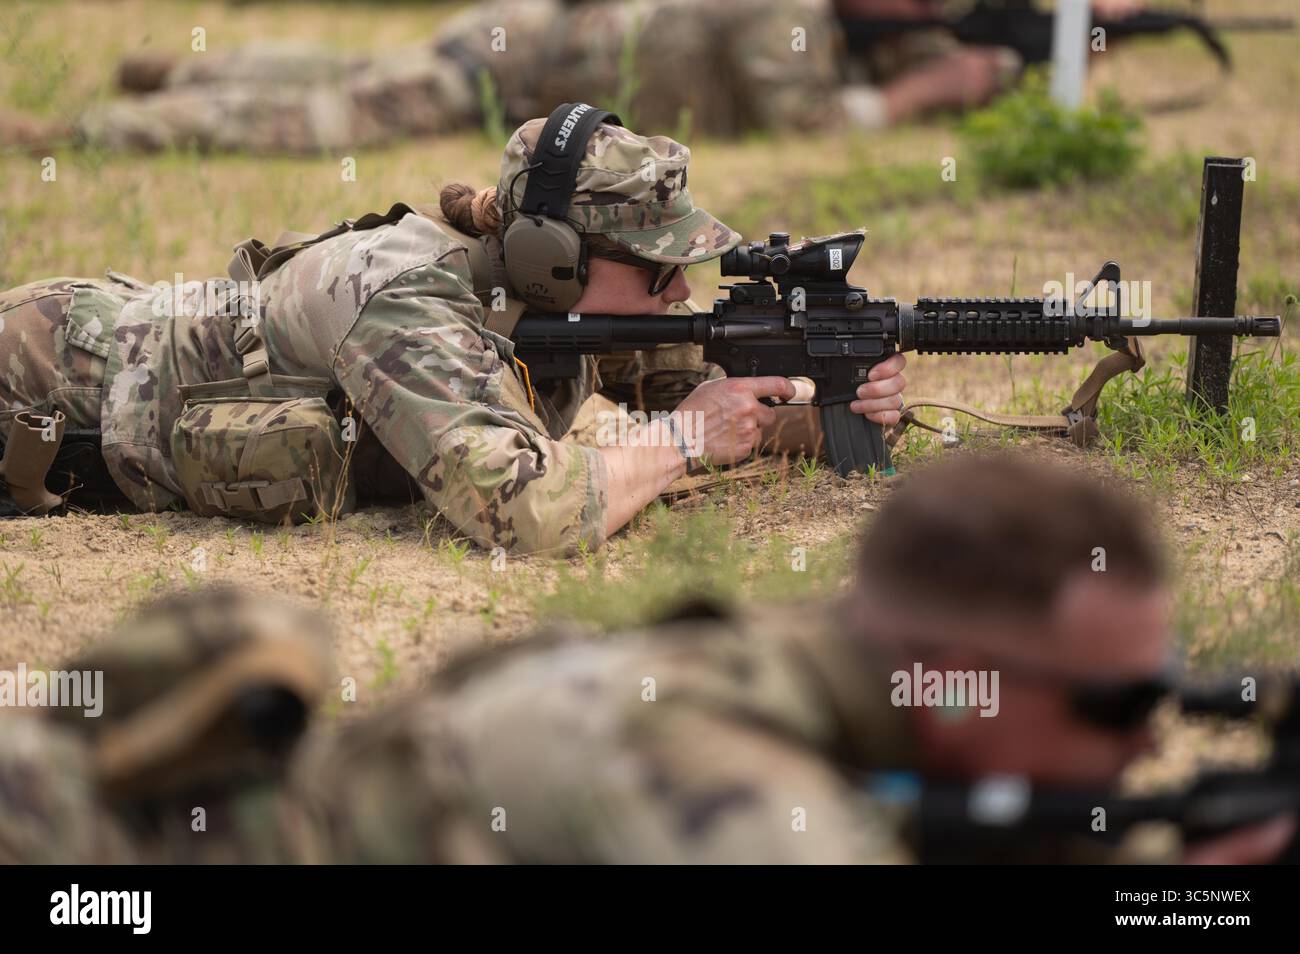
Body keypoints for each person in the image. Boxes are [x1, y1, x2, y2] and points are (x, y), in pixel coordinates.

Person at [2, 455, 1291, 864]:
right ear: (956, 675)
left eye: (1165, 688)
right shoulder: (717, 786)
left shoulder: (794, 665)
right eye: (1120, 702)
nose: (1148, 737)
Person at [0, 109, 909, 552]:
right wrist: (682, 440)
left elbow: (702, 407)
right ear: (557, 256)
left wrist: (827, 403)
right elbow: (525, 515)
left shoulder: (567, 304)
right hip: (37, 373)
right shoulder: (402, 297)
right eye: (657, 266)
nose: (680, 289)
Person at [1, 0, 1026, 154]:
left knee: (357, 69)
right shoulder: (790, 15)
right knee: (322, 120)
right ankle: (60, 136)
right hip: (511, 71)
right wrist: (924, 93)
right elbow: (799, 121)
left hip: (516, 35)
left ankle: (187, 69)